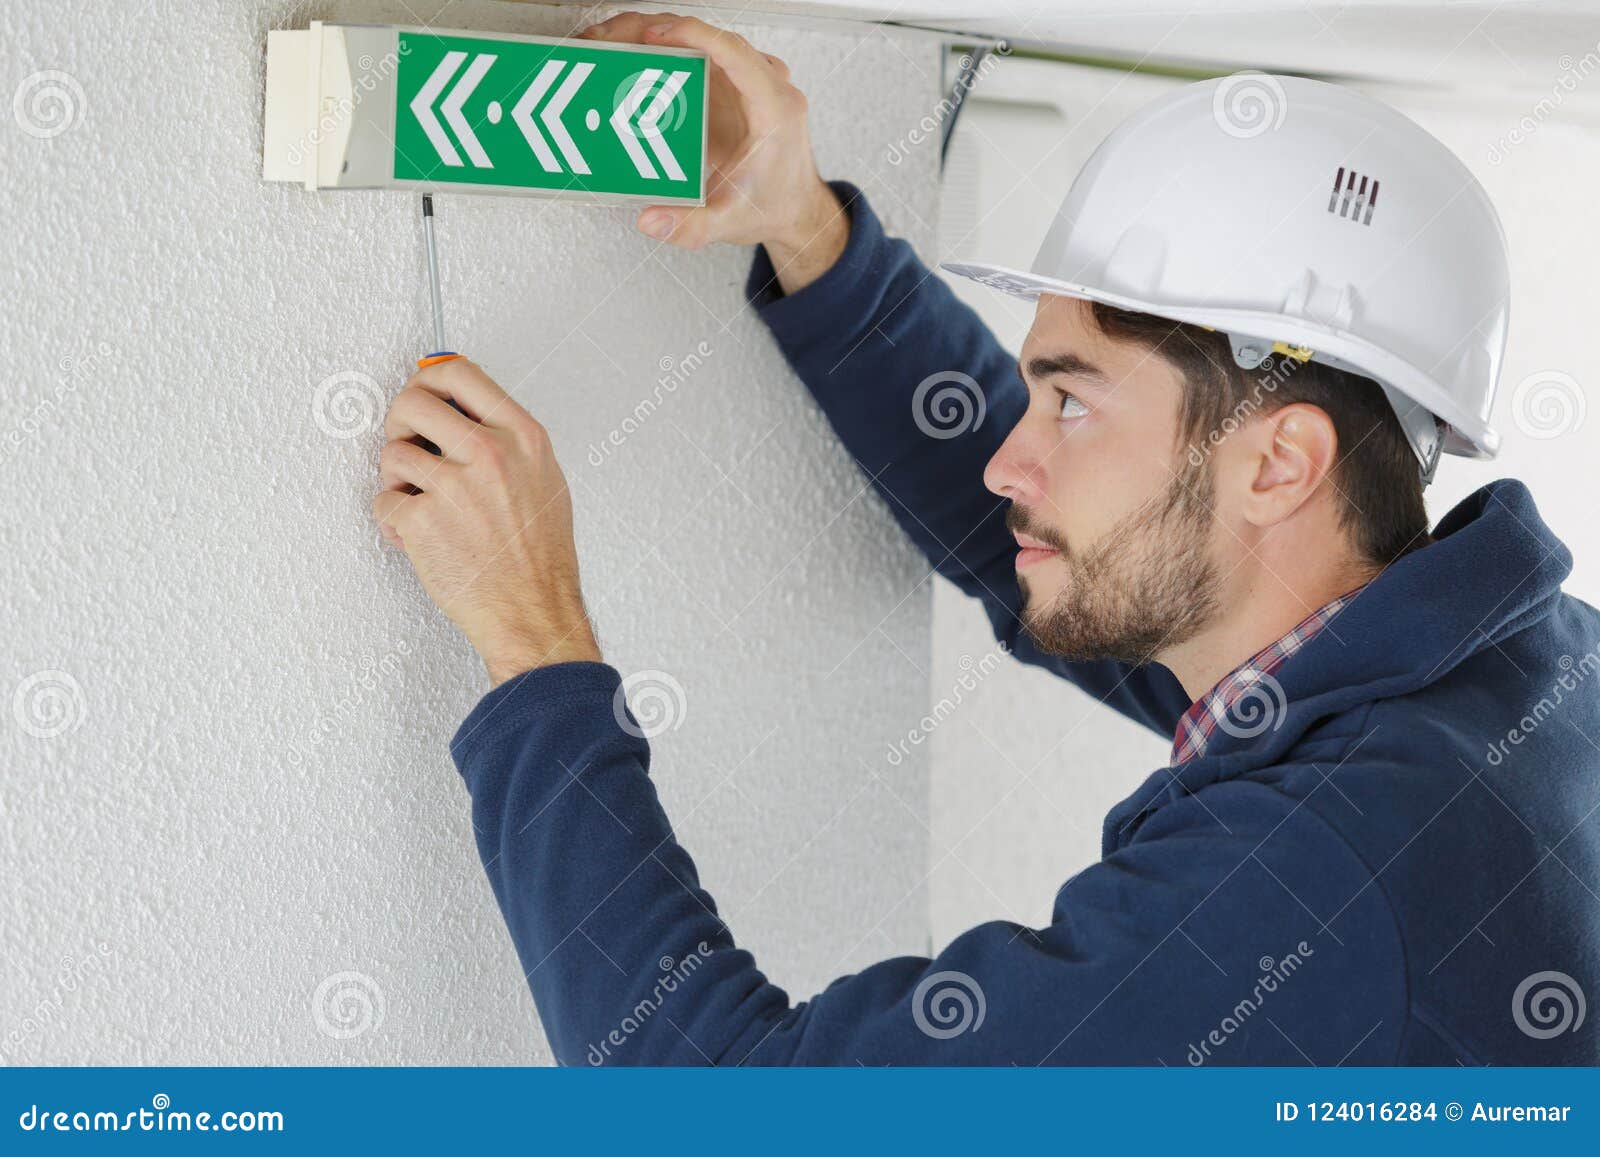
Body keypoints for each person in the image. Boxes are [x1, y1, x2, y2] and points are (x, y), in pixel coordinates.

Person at [371, 13, 1600, 1064]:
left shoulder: (1311, 879)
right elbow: (1045, 536)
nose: (1013, 457)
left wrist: (537, 644)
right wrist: (804, 229)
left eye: (1070, 401)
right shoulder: (1523, 673)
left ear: (1278, 462)